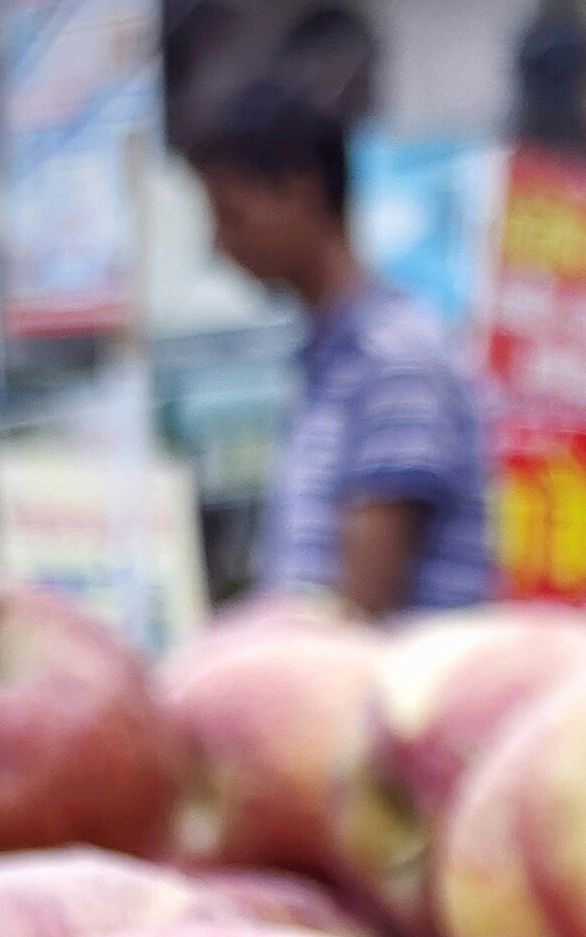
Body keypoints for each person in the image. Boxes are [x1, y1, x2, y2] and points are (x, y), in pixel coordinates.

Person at [182, 80, 489, 619]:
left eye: (231, 215)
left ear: (298, 193)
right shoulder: (335, 358)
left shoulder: (393, 359)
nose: (219, 245)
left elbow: (358, 614)